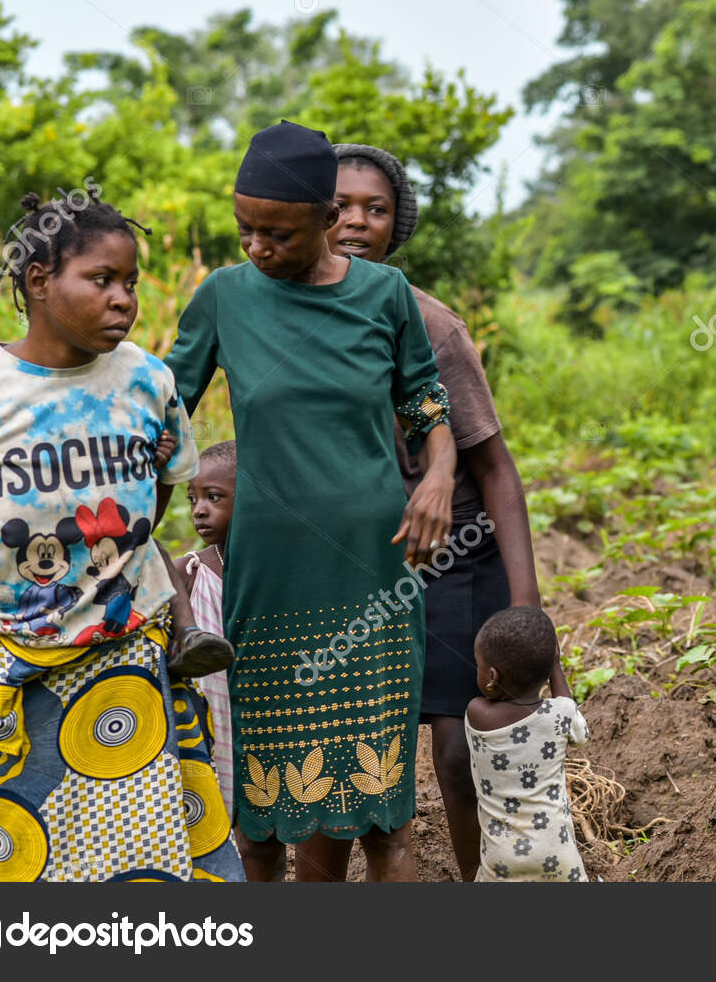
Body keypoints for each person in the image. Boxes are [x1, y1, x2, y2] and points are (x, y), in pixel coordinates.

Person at [0, 189, 241, 880]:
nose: (124, 299)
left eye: (131, 284)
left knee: (167, 849)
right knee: (34, 857)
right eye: (102, 280)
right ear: (38, 282)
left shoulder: (149, 383)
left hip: (132, 652)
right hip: (10, 666)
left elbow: (156, 489)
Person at [165, 120, 457, 884]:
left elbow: (427, 403)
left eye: (277, 233)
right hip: (271, 574)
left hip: (371, 571)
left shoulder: (384, 293)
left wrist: (437, 474)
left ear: (329, 223)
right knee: (269, 815)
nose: (257, 248)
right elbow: (160, 411)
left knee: (382, 813)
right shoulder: (225, 297)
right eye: (245, 230)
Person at [328, 144, 564, 881]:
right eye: (339, 205)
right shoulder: (290, 328)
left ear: (398, 226)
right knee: (350, 756)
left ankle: (479, 884)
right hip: (352, 567)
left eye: (377, 209)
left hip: (452, 561)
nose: (356, 222)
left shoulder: (431, 326)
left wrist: (528, 617)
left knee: (462, 751)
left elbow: (495, 469)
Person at [0, 437, 221, 745]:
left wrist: (153, 461)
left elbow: (139, 507)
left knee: (151, 549)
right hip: (15, 570)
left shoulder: (94, 448)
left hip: (85, 554)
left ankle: (187, 633)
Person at [465, 607, 588, 882]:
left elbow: (489, 697)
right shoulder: (561, 714)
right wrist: (554, 665)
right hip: (557, 851)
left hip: (501, 857)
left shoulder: (477, 714)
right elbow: (580, 734)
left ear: (492, 676)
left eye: (478, 664)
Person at [163, 440, 239, 818]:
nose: (199, 510)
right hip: (210, 720)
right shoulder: (189, 572)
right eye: (192, 499)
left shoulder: (274, 573)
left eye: (213, 497)